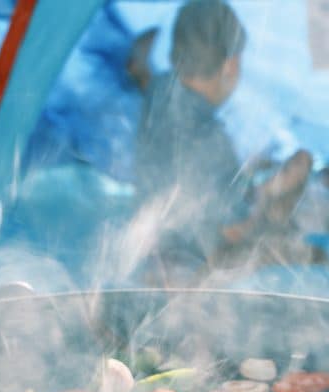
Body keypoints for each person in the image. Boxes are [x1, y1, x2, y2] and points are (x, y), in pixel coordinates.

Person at [134, 0, 314, 282]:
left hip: (145, 251)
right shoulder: (211, 139)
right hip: (187, 273)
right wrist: (271, 191)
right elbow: (232, 230)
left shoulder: (159, 90)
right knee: (310, 258)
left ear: (175, 55)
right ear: (230, 66)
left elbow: (144, 78)